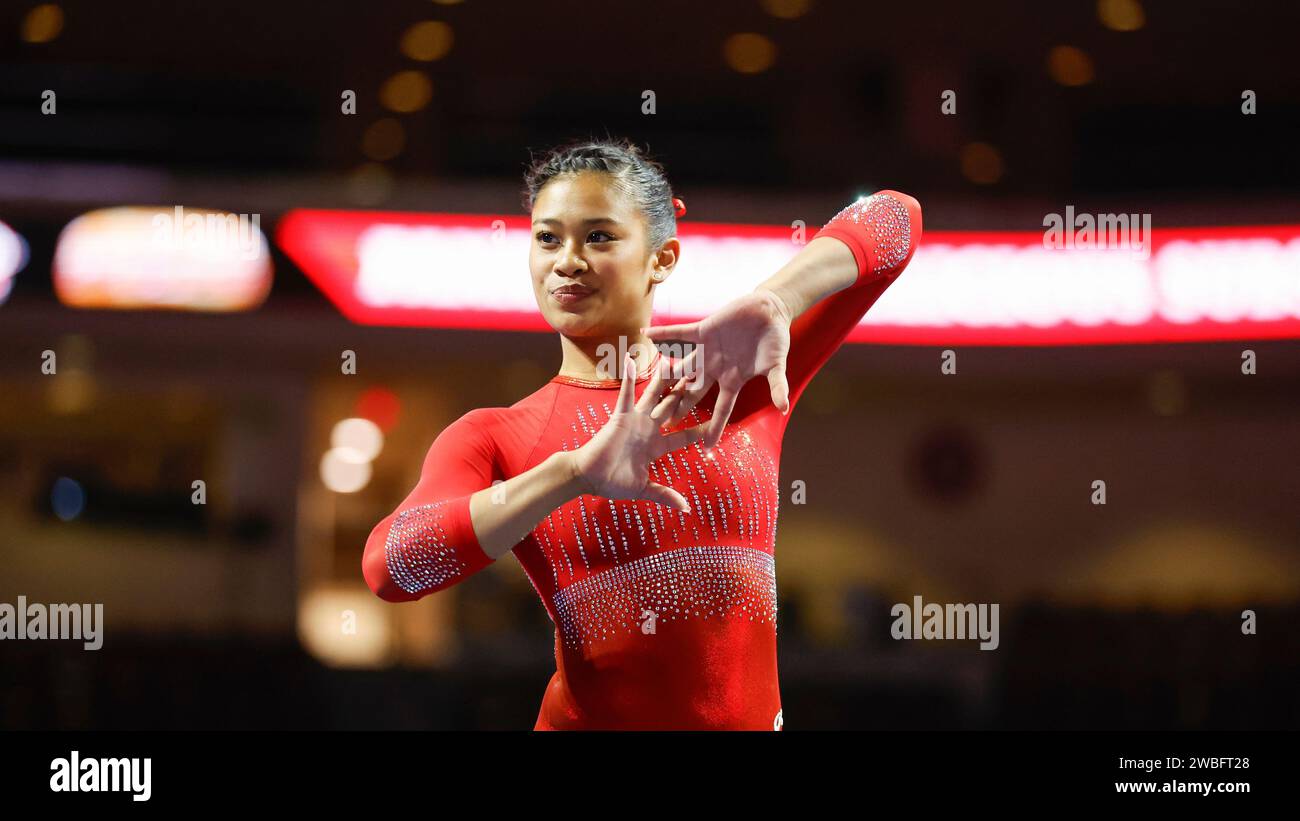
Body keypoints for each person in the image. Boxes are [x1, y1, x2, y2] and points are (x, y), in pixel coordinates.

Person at [362, 138, 921, 729]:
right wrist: (570, 474)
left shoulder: (732, 380)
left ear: (663, 258)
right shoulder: (495, 435)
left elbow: (896, 216)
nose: (567, 260)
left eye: (599, 236)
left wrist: (777, 301)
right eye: (547, 238)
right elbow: (392, 569)